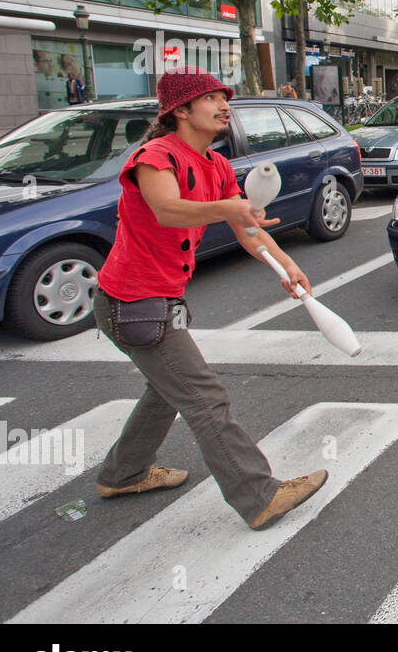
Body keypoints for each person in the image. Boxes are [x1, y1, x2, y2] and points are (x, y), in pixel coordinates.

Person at [93, 66, 328, 530]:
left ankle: (123, 474)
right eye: (211, 99)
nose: (225, 106)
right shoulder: (155, 156)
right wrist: (228, 207)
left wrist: (285, 265)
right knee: (204, 397)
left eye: (225, 98)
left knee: (165, 393)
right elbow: (166, 210)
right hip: (132, 302)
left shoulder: (217, 165)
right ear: (179, 110)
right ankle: (259, 497)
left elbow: (246, 227)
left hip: (159, 302)